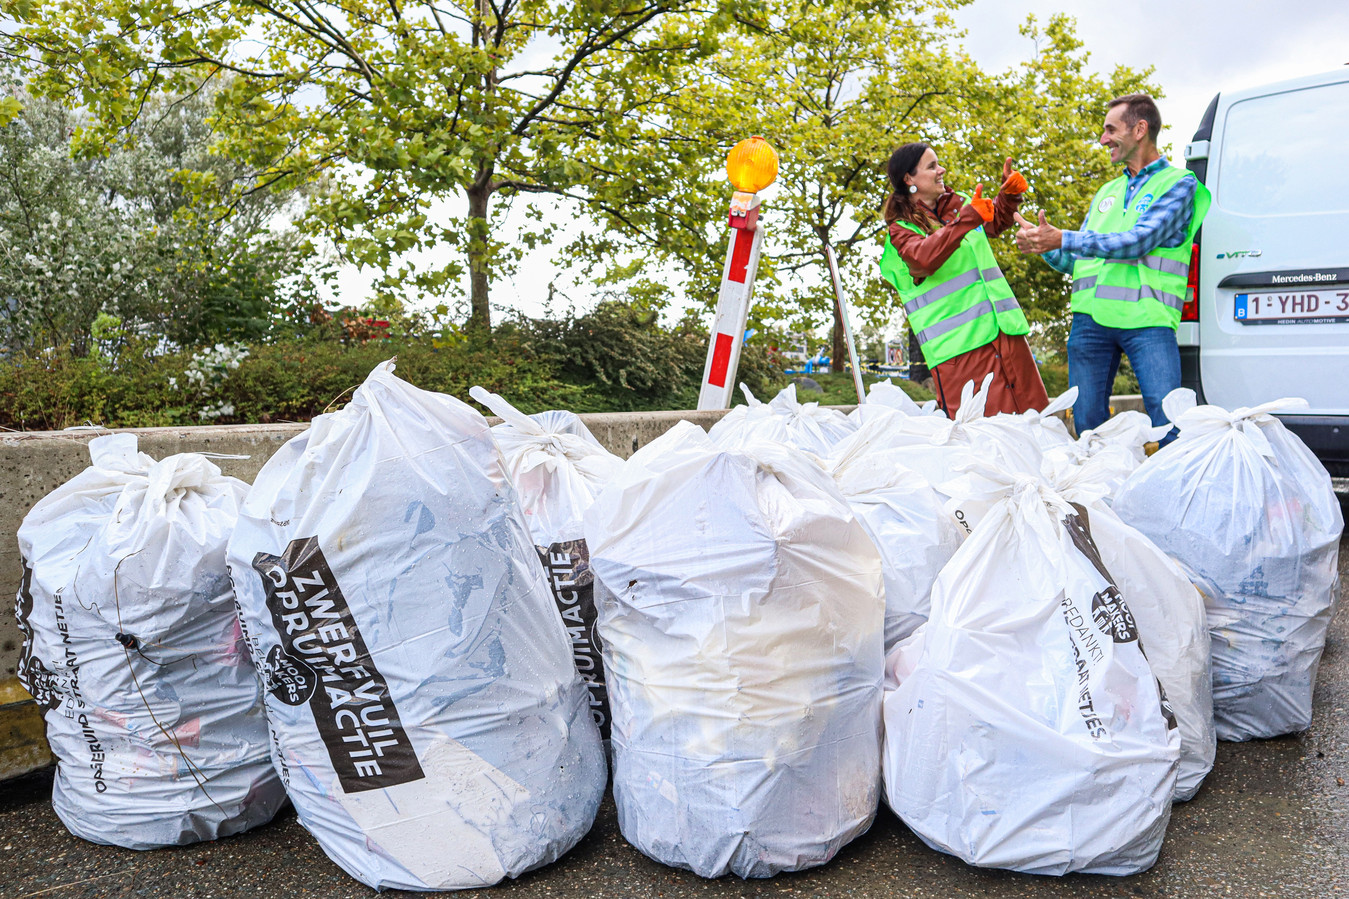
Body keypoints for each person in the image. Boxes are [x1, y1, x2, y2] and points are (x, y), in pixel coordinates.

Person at [1014, 93, 1211, 439]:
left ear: (1140, 129)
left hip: (1147, 320)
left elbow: (1138, 242)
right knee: (1088, 427)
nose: (1103, 139)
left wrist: (1063, 238)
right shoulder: (1107, 191)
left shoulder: (1179, 185)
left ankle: (1177, 492)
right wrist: (1042, 243)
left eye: (1110, 129)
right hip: (1090, 322)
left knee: (1169, 422)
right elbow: (1077, 259)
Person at [879, 143, 1049, 418]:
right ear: (909, 179)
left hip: (1005, 336)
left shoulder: (957, 204)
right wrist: (968, 218)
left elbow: (993, 221)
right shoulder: (901, 231)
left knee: (1037, 422)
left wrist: (1008, 196)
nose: (941, 170)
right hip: (961, 356)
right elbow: (924, 259)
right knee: (982, 441)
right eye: (932, 166)